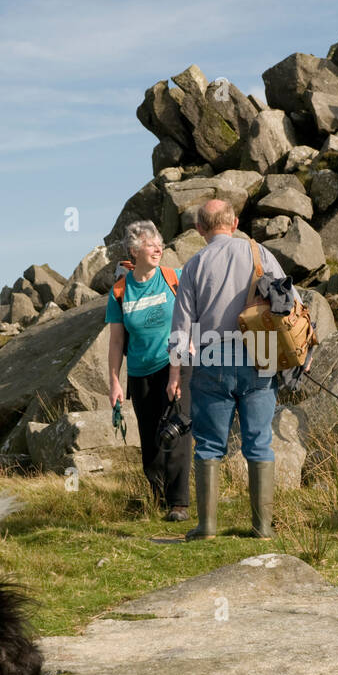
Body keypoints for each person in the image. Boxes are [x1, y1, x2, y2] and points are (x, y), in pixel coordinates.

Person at [166, 198, 285, 541]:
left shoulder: (193, 265)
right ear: (234, 224)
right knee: (259, 443)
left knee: (208, 446)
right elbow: (292, 304)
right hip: (260, 358)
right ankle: (262, 528)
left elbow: (180, 330)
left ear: (200, 229)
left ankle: (207, 527)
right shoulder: (261, 254)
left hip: (211, 361)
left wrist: (175, 375)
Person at [106, 220, 191, 520]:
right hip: (140, 373)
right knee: (151, 439)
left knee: (176, 431)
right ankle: (157, 498)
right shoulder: (119, 291)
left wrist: (192, 342)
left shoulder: (174, 278)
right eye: (150, 244)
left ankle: (179, 503)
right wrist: (115, 382)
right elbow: (116, 342)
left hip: (175, 365)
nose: (158, 248)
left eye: (160, 243)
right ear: (134, 250)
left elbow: (197, 311)